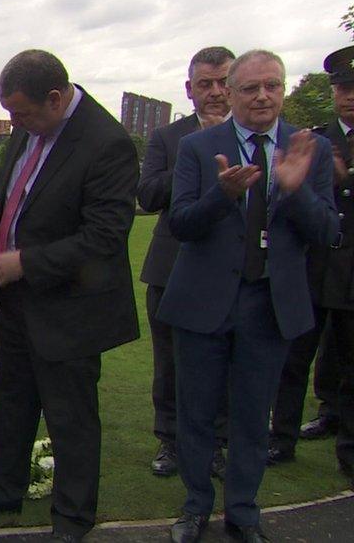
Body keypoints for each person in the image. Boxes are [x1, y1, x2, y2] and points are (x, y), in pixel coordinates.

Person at [0, 50, 140, 542]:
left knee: (70, 415)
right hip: (16, 303)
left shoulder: (107, 143)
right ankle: (0, 492)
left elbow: (105, 235)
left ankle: (73, 518)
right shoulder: (31, 126)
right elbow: (22, 185)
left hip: (69, 309)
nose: (16, 123)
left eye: (22, 113)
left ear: (55, 98)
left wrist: (27, 261)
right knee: (11, 400)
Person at [157, 50, 338, 543]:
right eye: (252, 87)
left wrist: (295, 190)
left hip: (270, 306)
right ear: (231, 93)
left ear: (283, 91)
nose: (263, 96)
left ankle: (243, 512)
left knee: (254, 417)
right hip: (204, 304)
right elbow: (181, 224)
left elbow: (327, 232)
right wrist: (223, 195)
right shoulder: (199, 147)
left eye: (273, 86)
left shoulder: (310, 148)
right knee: (194, 414)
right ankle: (195, 508)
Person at [137, 47, 235, 479]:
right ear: (189, 90)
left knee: (225, 361)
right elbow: (148, 195)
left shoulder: (253, 137)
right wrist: (198, 153)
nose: (214, 92)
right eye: (205, 84)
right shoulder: (168, 138)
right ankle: (170, 441)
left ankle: (215, 444)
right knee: (170, 363)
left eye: (222, 83)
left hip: (230, 268)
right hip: (171, 266)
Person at [269, 46, 354, 482]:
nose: (349, 96)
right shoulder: (317, 141)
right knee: (294, 358)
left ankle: (349, 450)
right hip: (316, 270)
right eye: (342, 87)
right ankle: (281, 437)